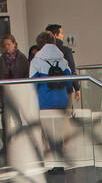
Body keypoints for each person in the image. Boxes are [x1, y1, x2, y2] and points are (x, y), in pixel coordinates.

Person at [29, 31, 72, 174]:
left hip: (45, 103)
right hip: (61, 101)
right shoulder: (63, 60)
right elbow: (69, 81)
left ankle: (56, 165)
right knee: (58, 133)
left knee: (49, 134)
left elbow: (32, 85)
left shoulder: (36, 61)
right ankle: (59, 163)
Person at [0, 34, 29, 155]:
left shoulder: (22, 59)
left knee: (17, 119)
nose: (7, 47)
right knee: (5, 120)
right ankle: (6, 145)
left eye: (9, 44)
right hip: (6, 93)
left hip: (18, 93)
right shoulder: (2, 59)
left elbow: (26, 76)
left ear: (14, 44)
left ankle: (20, 142)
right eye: (5, 45)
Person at [45, 23, 79, 106]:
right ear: (55, 35)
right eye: (61, 33)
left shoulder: (40, 51)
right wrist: (77, 88)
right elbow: (71, 70)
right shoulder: (65, 50)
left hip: (47, 90)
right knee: (66, 117)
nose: (62, 36)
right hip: (65, 89)